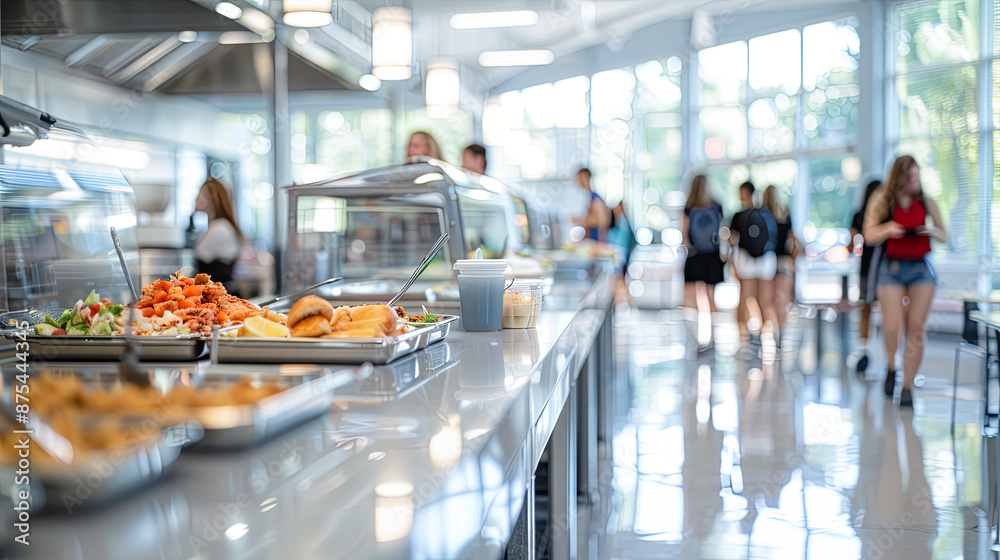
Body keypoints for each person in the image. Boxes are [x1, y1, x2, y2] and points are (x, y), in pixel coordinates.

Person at [863, 156, 947, 407]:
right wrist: (890, 228)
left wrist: (930, 230)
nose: (914, 181)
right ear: (898, 176)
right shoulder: (882, 200)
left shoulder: (927, 202)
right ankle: (891, 365)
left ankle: (907, 386)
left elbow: (944, 234)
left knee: (916, 329)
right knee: (892, 327)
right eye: (909, 176)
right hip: (892, 268)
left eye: (916, 176)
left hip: (921, 269)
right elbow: (869, 236)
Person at [729, 181, 778, 341]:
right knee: (760, 299)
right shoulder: (766, 213)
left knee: (748, 297)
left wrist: (731, 262)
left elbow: (732, 240)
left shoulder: (738, 216)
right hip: (765, 259)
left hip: (747, 259)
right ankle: (766, 333)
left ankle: (745, 334)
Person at [850, 179, 883, 375]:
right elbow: (851, 243)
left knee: (869, 311)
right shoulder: (860, 215)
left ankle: (872, 351)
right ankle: (865, 351)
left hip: (882, 268)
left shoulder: (886, 214)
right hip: (870, 268)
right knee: (867, 310)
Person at [682, 175, 725, 323]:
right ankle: (712, 336)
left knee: (690, 297)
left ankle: (694, 335)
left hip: (694, 255)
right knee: (711, 297)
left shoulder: (689, 206)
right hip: (713, 255)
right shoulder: (716, 205)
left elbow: (684, 234)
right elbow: (722, 231)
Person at [194, 178, 243, 295]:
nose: (196, 200)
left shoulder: (219, 228)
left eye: (200, 195)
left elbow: (199, 255)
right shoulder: (219, 226)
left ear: (211, 198)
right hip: (221, 294)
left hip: (221, 297)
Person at [762, 185, 797, 332]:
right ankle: (780, 334)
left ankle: (774, 332)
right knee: (780, 301)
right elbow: (791, 240)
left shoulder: (762, 215)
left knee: (769, 301)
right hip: (784, 261)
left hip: (768, 261)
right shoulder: (785, 213)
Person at [572, 168, 611, 242]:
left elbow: (603, 221)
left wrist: (581, 220)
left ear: (586, 177)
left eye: (580, 179)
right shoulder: (589, 197)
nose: (578, 182)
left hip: (598, 240)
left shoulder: (595, 199)